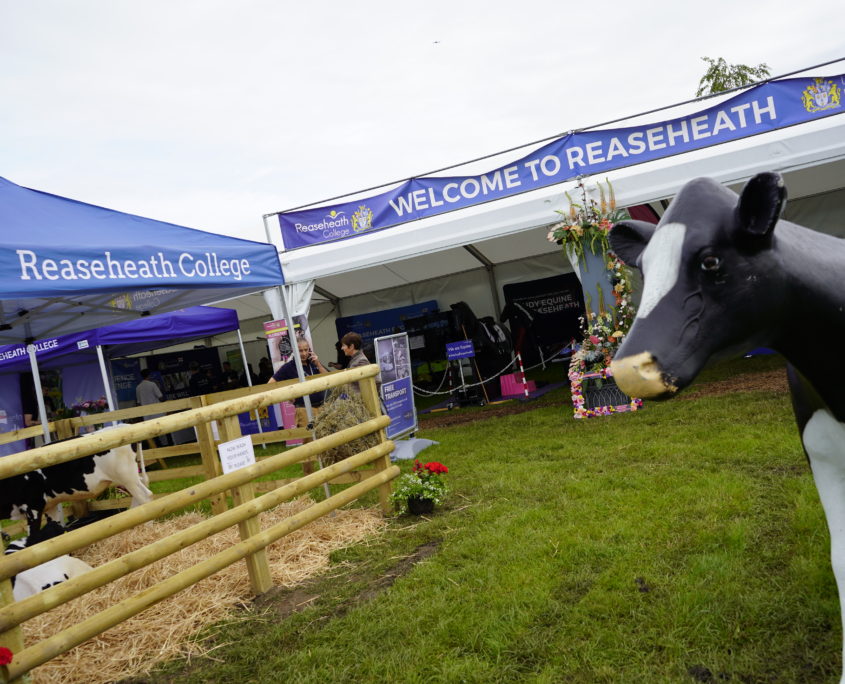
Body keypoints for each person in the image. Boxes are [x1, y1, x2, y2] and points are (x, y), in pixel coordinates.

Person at [268, 339, 328, 474]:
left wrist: (318, 363)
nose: (304, 353)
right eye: (300, 350)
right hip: (304, 409)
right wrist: (287, 395)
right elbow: (271, 384)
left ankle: (327, 470)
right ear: (294, 351)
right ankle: (309, 474)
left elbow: (327, 378)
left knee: (325, 438)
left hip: (322, 406)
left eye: (306, 349)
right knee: (308, 441)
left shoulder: (314, 363)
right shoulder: (288, 367)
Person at [136, 368, 171, 447]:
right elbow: (161, 397)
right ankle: (167, 446)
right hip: (157, 412)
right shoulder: (152, 384)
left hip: (147, 414)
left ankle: (156, 447)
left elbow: (138, 403)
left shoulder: (138, 388)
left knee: (151, 433)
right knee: (163, 430)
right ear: (149, 375)